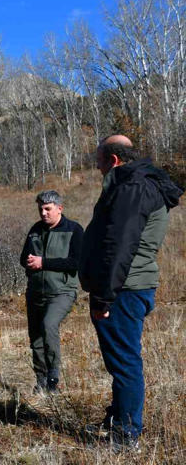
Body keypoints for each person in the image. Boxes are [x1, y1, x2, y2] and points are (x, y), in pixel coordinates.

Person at [80, 135, 183, 451]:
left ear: (113, 160)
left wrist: (103, 295)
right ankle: (118, 419)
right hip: (127, 286)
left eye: (98, 161)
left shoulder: (132, 188)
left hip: (123, 289)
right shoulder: (138, 183)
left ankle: (126, 436)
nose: (96, 168)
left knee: (125, 363)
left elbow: (120, 245)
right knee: (121, 361)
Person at [20, 190, 84, 394]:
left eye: (48, 209)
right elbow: (24, 258)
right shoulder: (35, 230)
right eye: (40, 209)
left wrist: (44, 262)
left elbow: (77, 262)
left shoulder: (74, 229)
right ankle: (41, 380)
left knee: (49, 325)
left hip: (62, 291)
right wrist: (30, 262)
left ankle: (54, 377)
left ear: (59, 209)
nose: (43, 213)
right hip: (35, 291)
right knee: (36, 336)